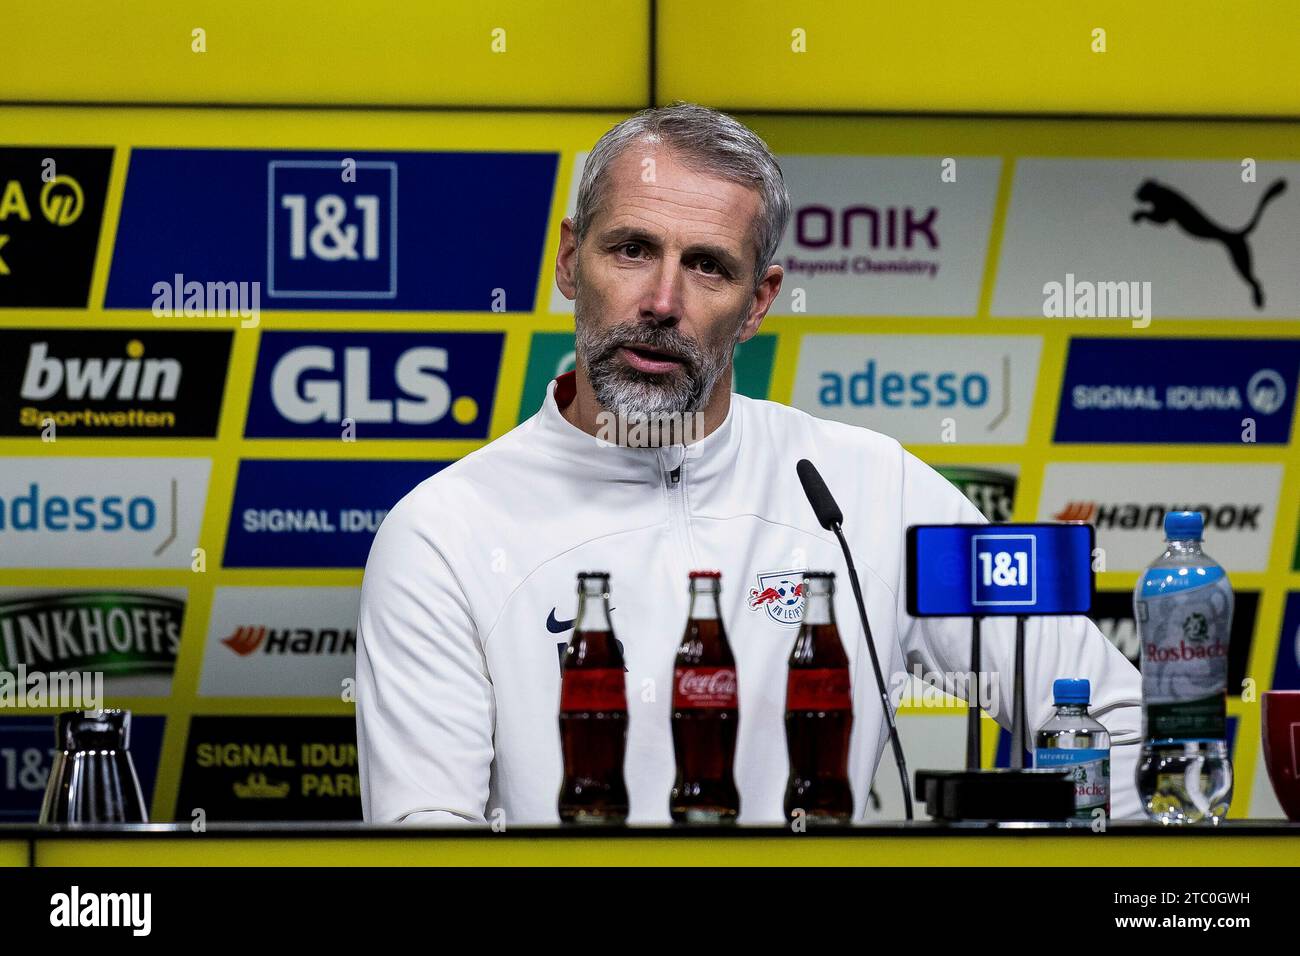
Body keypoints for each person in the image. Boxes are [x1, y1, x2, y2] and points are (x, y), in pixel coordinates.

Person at [355, 101, 1143, 824]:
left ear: (758, 302)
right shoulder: (444, 534)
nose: (662, 302)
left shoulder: (871, 488)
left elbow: (1118, 723)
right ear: (569, 259)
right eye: (632, 249)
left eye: (708, 266)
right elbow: (427, 841)